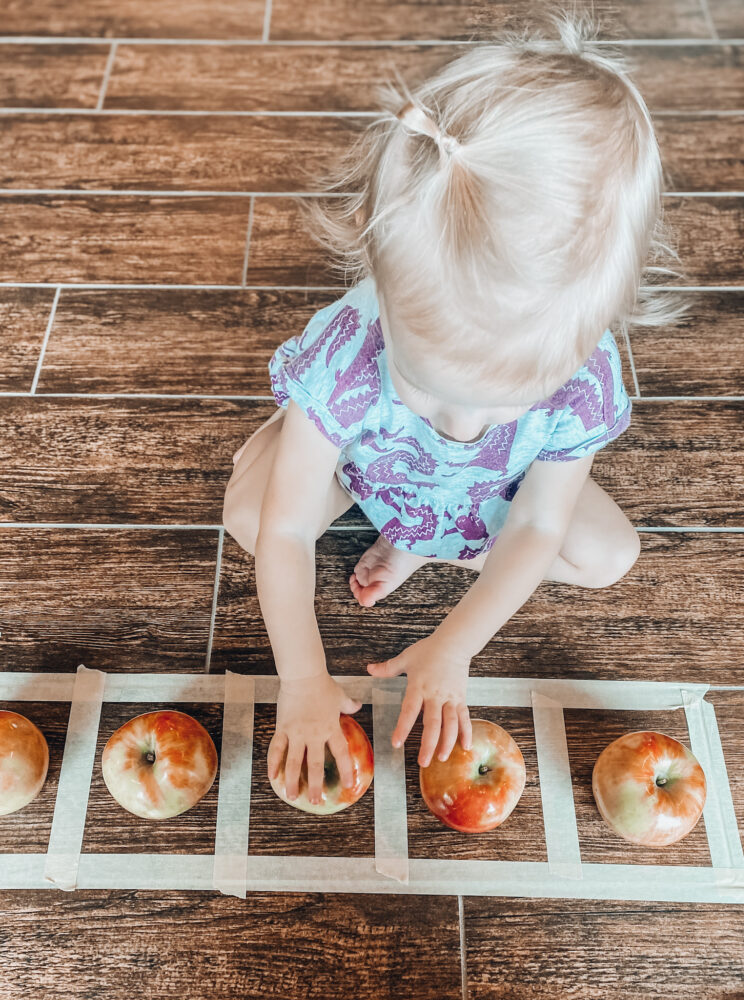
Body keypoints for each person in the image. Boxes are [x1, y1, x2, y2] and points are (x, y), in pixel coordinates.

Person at [222, 8, 689, 806]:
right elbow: (290, 529)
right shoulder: (350, 355)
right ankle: (334, 460)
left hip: (488, 495)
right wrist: (300, 676)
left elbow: (541, 522)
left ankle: (424, 540)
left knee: (608, 556)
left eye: (497, 406)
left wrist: (455, 642)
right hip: (371, 462)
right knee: (251, 514)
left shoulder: (579, 375)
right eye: (433, 390)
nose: (461, 427)